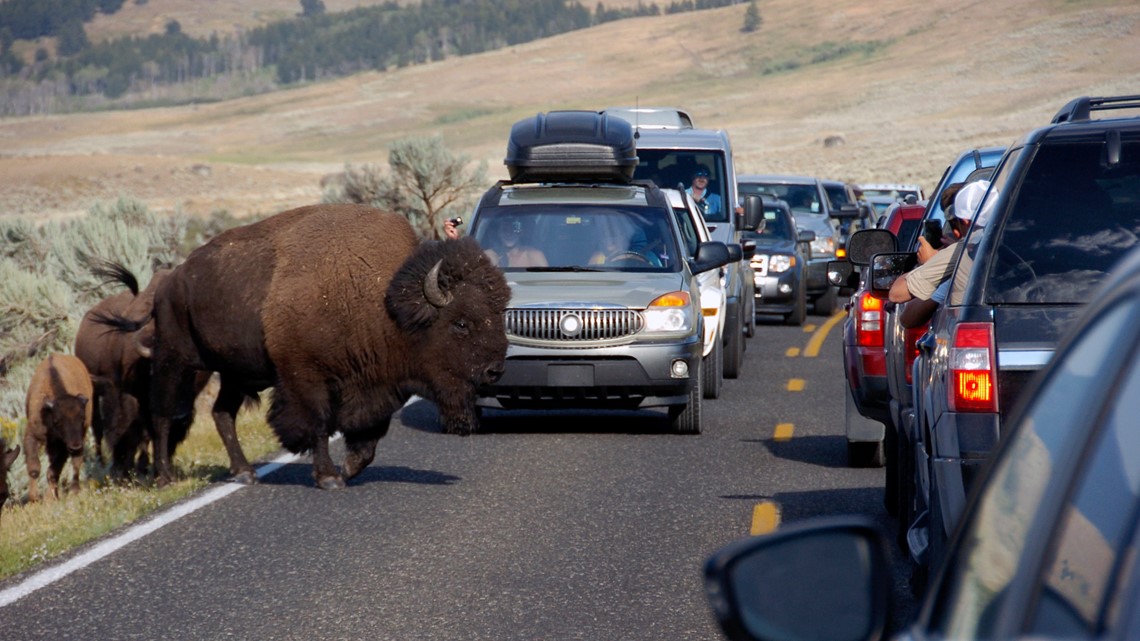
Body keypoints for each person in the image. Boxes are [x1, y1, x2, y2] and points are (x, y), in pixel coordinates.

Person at [889, 180, 990, 314]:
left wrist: (932, 261)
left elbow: (897, 294)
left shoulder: (962, 250)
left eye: (955, 223)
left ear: (965, 220)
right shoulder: (1010, 241)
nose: (955, 232)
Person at [483, 216, 547, 267]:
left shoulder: (535, 256)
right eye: (504, 230)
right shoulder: (489, 256)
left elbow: (548, 278)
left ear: (521, 232)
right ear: (499, 233)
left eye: (513, 230)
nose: (509, 233)